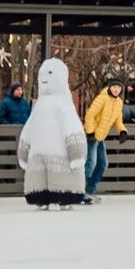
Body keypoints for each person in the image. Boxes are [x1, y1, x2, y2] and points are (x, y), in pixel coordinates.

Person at [17, 57, 88, 207]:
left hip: (59, 152)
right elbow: (29, 127)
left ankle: (65, 197)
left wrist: (76, 150)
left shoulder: (64, 104)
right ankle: (40, 197)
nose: (44, 77)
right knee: (38, 177)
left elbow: (72, 126)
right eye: (42, 73)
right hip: (39, 153)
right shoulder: (39, 104)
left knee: (62, 176)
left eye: (49, 73)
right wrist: (23, 150)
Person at [81, 80, 126, 204]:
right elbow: (90, 114)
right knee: (91, 163)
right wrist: (90, 132)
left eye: (118, 87)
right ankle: (78, 191)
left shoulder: (119, 103)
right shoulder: (102, 98)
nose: (116, 89)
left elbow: (118, 121)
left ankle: (90, 190)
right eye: (114, 87)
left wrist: (122, 131)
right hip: (93, 135)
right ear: (110, 88)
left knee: (103, 164)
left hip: (100, 137)